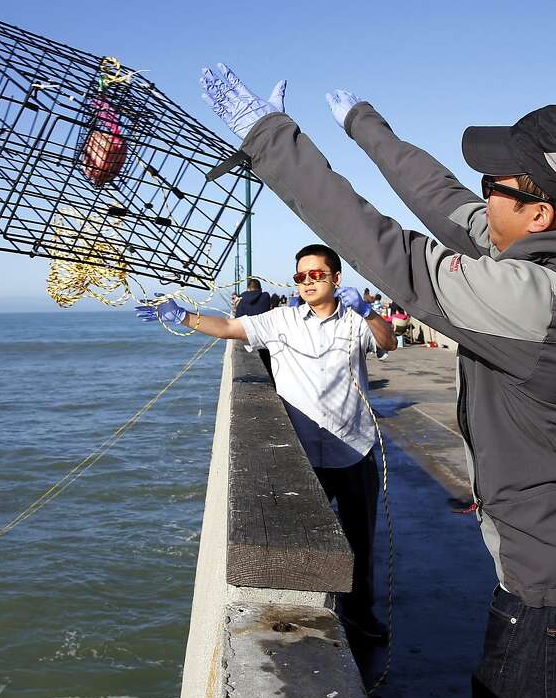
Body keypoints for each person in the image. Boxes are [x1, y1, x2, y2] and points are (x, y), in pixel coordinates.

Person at [201, 64, 556, 698]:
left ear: (540, 212)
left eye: (497, 186)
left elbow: (385, 248)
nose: (482, 196)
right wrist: (366, 125)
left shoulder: (529, 298)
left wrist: (271, 140)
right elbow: (442, 200)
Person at [137, 244, 398, 639]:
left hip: (354, 448)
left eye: (315, 274)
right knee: (303, 540)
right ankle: (315, 615)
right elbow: (227, 329)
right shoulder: (281, 321)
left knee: (360, 544)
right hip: (302, 453)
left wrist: (367, 310)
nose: (307, 282)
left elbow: (388, 342)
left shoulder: (355, 322)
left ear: (336, 279)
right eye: (300, 276)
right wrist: (181, 316)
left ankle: (362, 617)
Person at [236, 277, 278, 379]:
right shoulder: (265, 296)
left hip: (247, 335)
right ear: (259, 288)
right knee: (270, 363)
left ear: (248, 288)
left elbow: (237, 318)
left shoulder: (241, 300)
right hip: (265, 334)